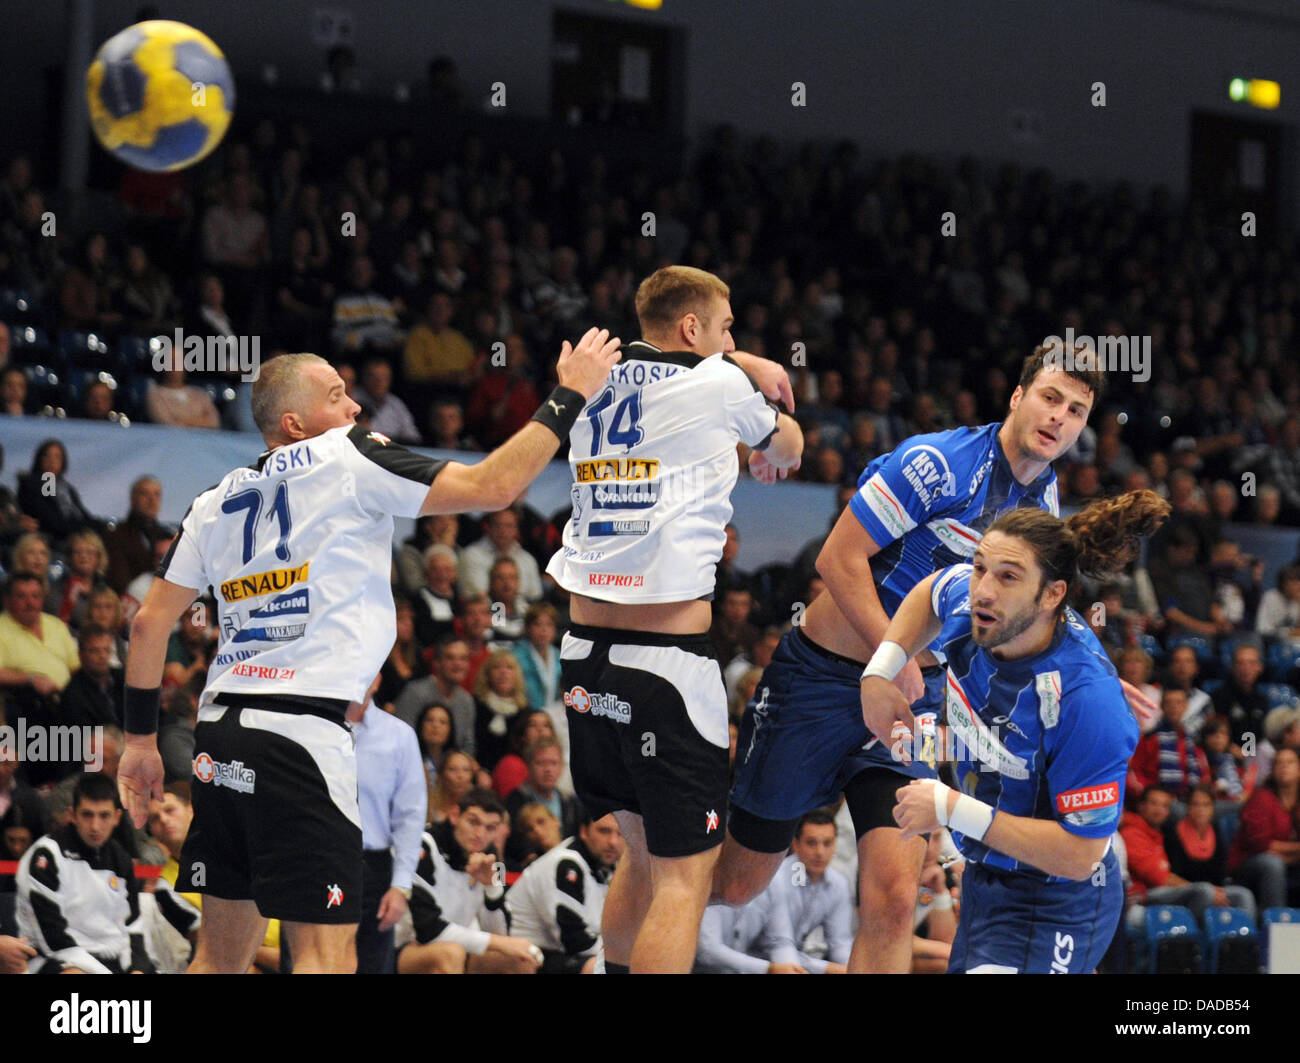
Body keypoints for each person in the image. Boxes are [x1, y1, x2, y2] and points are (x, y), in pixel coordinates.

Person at [116, 330, 622, 975]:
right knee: (327, 958)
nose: (355, 408)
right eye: (338, 396)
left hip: (222, 737)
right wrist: (571, 393)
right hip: (301, 735)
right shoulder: (347, 455)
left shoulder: (212, 502)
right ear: (295, 424)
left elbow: (147, 626)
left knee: (218, 957)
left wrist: (138, 742)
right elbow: (493, 486)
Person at [721, 342, 1149, 975]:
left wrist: (1106, 673)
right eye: (1050, 397)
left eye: (1077, 411)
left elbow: (1035, 609)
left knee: (894, 898)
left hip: (910, 703)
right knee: (737, 883)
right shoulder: (940, 462)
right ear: (1017, 396)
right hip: (821, 680)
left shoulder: (1044, 505)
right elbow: (836, 561)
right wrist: (890, 660)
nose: (1059, 418)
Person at [549, 265, 802, 972]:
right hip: (664, 663)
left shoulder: (588, 374)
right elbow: (790, 447)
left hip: (585, 655)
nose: (731, 341)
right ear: (694, 330)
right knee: (685, 876)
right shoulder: (721, 384)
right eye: (725, 327)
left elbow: (653, 368)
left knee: (638, 854)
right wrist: (758, 407)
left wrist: (737, 360)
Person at [881, 491, 1169, 972]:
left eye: (1008, 577)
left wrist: (950, 808)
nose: (982, 590)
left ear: (1052, 594)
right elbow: (932, 590)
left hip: (1061, 896)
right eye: (979, 568)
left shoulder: (1089, 704)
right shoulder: (976, 606)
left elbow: (1080, 856)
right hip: (986, 879)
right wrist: (880, 668)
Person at [15, 773, 153, 973]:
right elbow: (52, 939)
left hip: (112, 961)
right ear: (72, 815)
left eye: (104, 816)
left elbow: (134, 927)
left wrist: (138, 968)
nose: (95, 826)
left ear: (116, 817)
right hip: (55, 959)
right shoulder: (46, 856)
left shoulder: (121, 859)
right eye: (87, 814)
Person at [395, 789, 540, 974]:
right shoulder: (422, 844)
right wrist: (501, 943)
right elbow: (428, 929)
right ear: (455, 816)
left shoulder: (493, 857)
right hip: (403, 947)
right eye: (473, 822)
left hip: (459, 948)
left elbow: (500, 932)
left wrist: (491, 887)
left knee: (520, 960)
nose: (480, 834)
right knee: (450, 954)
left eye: (490, 828)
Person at [348, 676, 427, 974]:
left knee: (372, 966)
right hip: (317, 861)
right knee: (310, 962)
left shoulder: (398, 735)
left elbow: (410, 816)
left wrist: (401, 886)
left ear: (378, 679)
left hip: (373, 867)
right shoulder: (311, 727)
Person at [506, 812, 626, 974]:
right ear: (584, 831)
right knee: (604, 968)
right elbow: (575, 941)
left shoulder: (606, 865)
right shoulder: (565, 864)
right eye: (604, 831)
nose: (612, 841)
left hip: (560, 952)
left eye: (620, 834)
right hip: (526, 953)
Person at [1121, 785, 1253, 926]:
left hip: (1174, 891)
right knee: (1205, 892)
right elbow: (1160, 878)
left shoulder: (1157, 834)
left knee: (1242, 895)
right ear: (1141, 807)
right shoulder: (1133, 834)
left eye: (1165, 806)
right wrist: (1204, 890)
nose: (1159, 810)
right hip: (1145, 894)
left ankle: (1245, 942)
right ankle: (1196, 941)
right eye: (1154, 804)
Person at [760, 809, 853, 974]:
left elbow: (840, 944)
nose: (820, 852)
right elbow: (778, 946)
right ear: (795, 844)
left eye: (827, 843)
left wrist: (853, 969)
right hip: (761, 963)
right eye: (811, 843)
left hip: (798, 962)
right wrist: (830, 969)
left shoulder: (838, 884)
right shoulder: (777, 878)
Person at [1164, 784, 1256, 921]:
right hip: (1184, 891)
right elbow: (1169, 876)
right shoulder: (1173, 833)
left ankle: (1246, 938)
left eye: (1206, 805)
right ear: (1188, 808)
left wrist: (1217, 891)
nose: (1200, 810)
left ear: (1213, 809)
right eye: (1195, 804)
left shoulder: (1216, 833)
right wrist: (1207, 890)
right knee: (1205, 892)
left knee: (1243, 895)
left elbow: (1222, 872)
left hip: (1214, 890)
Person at [1228, 747, 1300, 910]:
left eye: (1290, 762)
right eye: (1279, 763)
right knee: (1272, 864)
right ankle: (1275, 925)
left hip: (1285, 860)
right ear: (1273, 771)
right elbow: (1260, 845)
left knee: (1275, 862)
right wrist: (1296, 850)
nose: (1284, 766)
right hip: (1248, 861)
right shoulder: (1261, 798)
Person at [504, 738, 583, 870]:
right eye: (541, 763)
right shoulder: (515, 801)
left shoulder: (570, 802)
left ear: (562, 767)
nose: (548, 769)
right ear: (528, 766)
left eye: (554, 763)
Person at [1128, 688, 1210, 804]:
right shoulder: (1150, 739)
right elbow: (1134, 773)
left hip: (1190, 801)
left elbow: (1203, 775)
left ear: (1186, 706)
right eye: (1169, 703)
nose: (1174, 707)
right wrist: (1150, 796)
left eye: (1179, 703)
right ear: (1161, 706)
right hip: (1158, 802)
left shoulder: (1190, 741)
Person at [473, 649, 530, 770]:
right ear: (487, 675)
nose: (503, 672)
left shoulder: (525, 712)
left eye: (509, 667)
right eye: (496, 667)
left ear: (517, 675)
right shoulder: (475, 705)